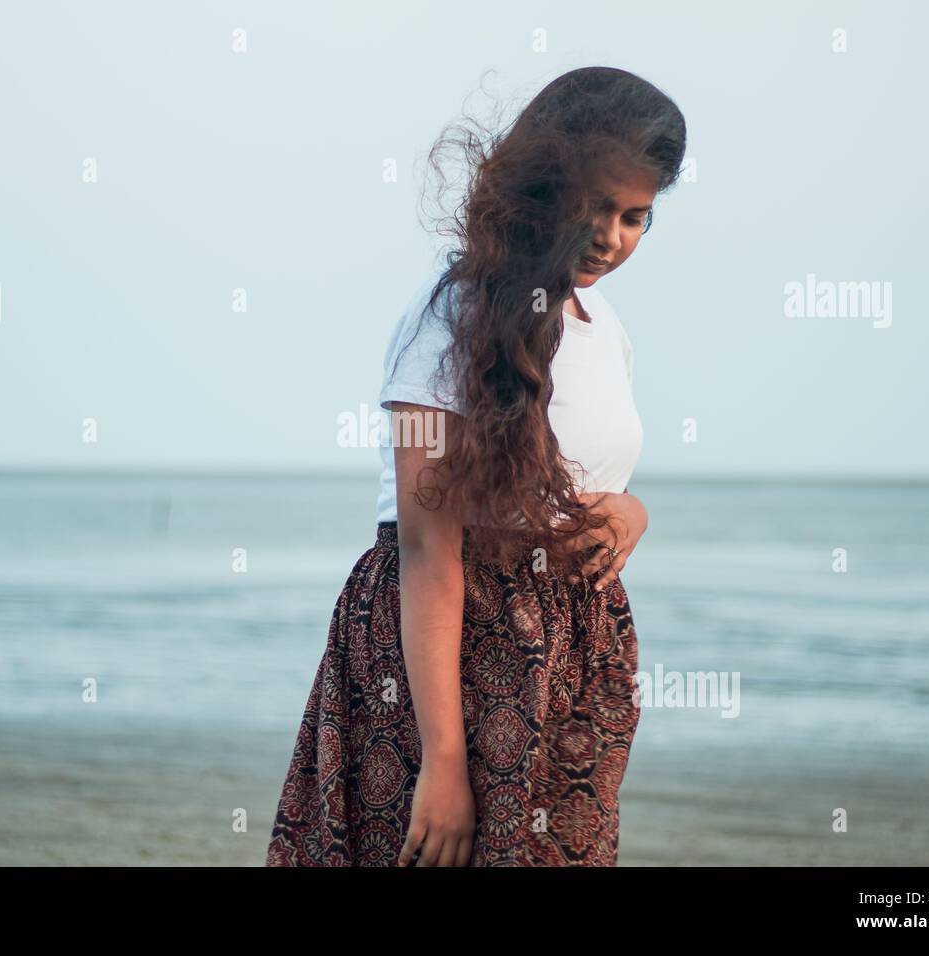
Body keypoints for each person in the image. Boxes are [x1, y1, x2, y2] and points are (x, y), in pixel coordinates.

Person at [266, 66, 686, 866]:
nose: (611, 236)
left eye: (637, 216)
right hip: (444, 661)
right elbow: (426, 546)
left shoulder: (605, 328)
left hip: (567, 669)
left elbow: (597, 477)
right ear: (540, 186)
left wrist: (634, 513)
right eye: (595, 205)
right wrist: (446, 763)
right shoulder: (450, 316)